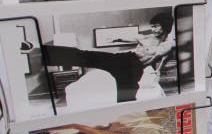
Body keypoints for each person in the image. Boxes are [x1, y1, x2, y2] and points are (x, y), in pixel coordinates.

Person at [43, 12, 175, 103]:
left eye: (156, 26)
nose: (153, 29)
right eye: (152, 26)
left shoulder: (168, 45)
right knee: (88, 55)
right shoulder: (146, 38)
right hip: (125, 58)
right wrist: (115, 39)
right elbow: (131, 38)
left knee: (128, 94)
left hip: (135, 68)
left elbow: (163, 60)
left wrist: (158, 71)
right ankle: (46, 54)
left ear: (164, 25)